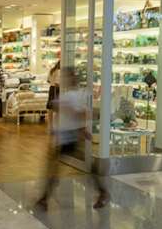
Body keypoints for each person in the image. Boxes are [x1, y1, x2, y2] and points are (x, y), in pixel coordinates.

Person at [36, 67, 108, 210]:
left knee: (53, 167)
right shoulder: (70, 95)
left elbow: (81, 113)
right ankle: (44, 198)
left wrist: (77, 122)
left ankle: (44, 198)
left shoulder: (73, 96)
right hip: (66, 136)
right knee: (53, 167)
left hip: (69, 137)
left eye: (64, 77)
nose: (62, 80)